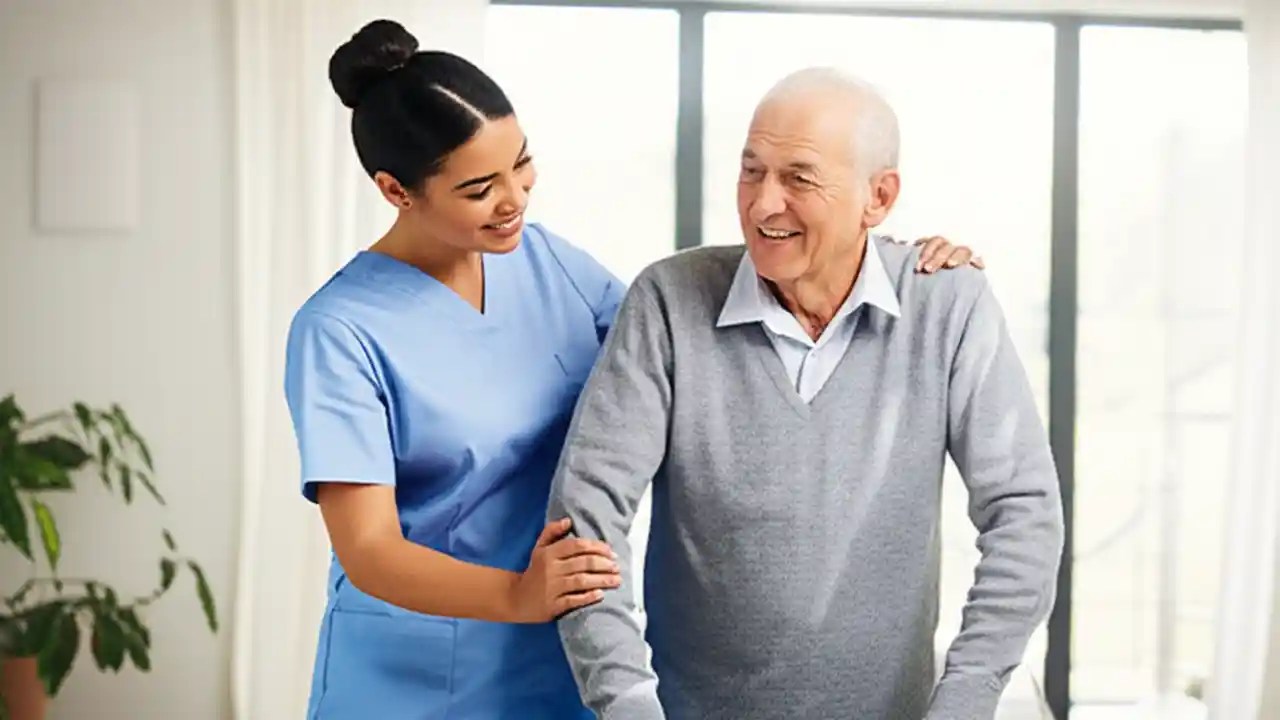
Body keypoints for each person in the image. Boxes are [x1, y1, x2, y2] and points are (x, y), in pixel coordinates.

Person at [283, 20, 980, 720]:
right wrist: (516, 596)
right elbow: (369, 549)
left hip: (561, 661)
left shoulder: (545, 261)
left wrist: (860, 257)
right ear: (397, 191)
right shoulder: (341, 331)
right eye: (478, 188)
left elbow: (690, 333)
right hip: (417, 673)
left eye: (521, 165)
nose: (515, 199)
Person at [547, 66, 1065, 720]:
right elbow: (584, 524)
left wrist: (965, 699)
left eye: (799, 178)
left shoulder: (948, 304)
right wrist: (626, 703)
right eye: (751, 170)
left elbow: (1023, 513)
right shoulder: (668, 301)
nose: (764, 204)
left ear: (878, 199)